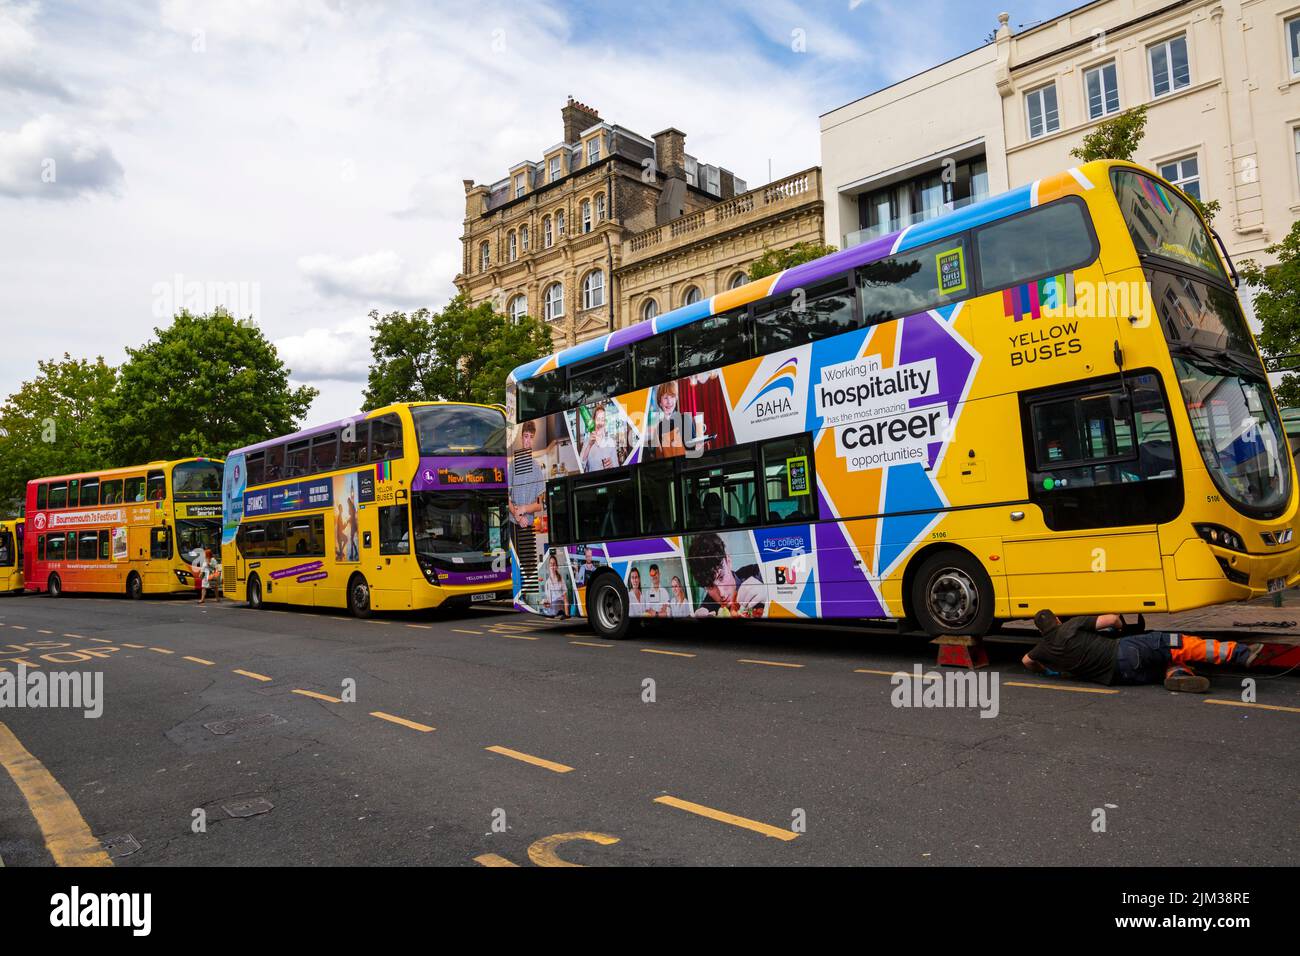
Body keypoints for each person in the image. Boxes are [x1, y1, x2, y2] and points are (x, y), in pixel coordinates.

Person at [1023, 610, 1263, 692]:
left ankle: (1175, 676)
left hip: (1119, 677)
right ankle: (1240, 654)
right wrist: (1119, 626)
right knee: (1174, 644)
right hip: (1124, 651)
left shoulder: (1042, 648)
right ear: (1056, 619)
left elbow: (1026, 661)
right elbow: (1111, 620)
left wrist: (1046, 672)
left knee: (1162, 662)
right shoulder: (1071, 626)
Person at [687, 532, 764, 618]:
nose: (722, 594)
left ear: (728, 560)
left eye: (721, 577)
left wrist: (770, 592)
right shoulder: (707, 610)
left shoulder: (759, 573)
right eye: (710, 586)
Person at [509, 421, 545, 529]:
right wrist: (518, 516)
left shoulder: (537, 468)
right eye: (526, 436)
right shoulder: (513, 465)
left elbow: (539, 504)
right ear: (521, 438)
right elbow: (506, 497)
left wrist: (523, 509)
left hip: (528, 526)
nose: (528, 440)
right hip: (512, 523)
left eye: (531, 437)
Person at [579, 403, 618, 472]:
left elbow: (617, 466)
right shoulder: (587, 443)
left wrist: (611, 466)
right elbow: (580, 467)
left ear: (605, 422)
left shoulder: (611, 442)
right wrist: (589, 445)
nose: (600, 423)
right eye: (598, 419)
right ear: (593, 421)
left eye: (602, 419)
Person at [541, 552, 567, 619]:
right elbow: (549, 602)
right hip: (552, 610)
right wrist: (545, 604)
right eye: (551, 564)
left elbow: (565, 600)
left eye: (554, 563)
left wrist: (567, 614)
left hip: (560, 608)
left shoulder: (561, 579)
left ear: (556, 566)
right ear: (549, 566)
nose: (552, 565)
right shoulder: (547, 582)